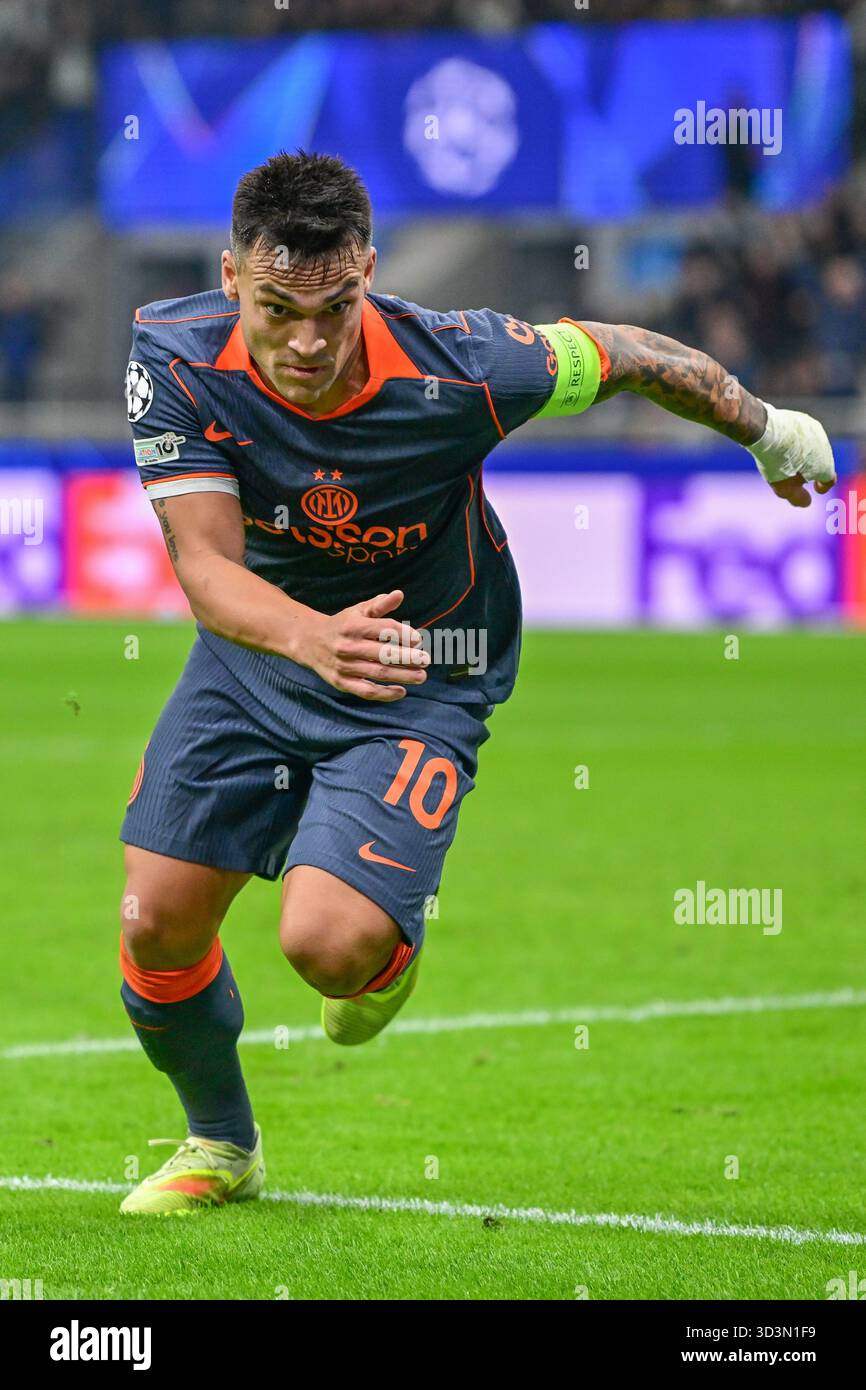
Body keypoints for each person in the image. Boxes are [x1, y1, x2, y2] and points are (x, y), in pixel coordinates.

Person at [118, 150, 836, 1215]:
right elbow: (207, 567)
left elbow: (630, 350)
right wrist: (311, 638)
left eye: (336, 305)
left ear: (367, 267)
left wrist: (766, 431)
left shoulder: (463, 366)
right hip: (259, 655)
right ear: (231, 278)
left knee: (326, 946)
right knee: (154, 924)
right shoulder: (172, 355)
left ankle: (382, 950)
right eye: (277, 309)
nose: (308, 341)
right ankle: (222, 1145)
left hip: (425, 666)